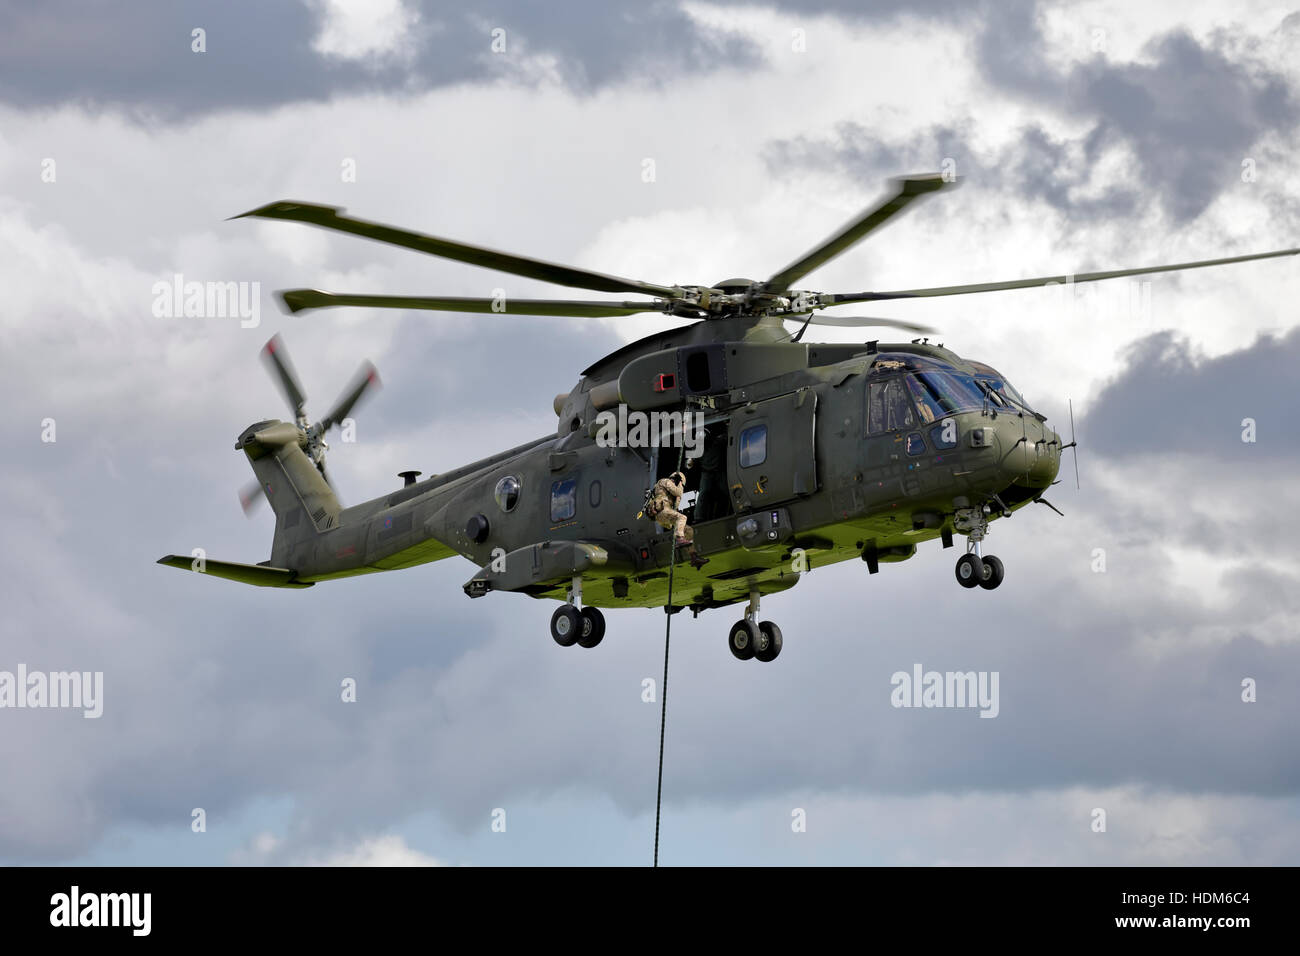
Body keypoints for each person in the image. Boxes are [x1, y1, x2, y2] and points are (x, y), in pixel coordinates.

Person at [648, 468, 708, 569]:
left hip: (665, 514)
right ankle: (680, 539)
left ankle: (693, 556)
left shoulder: (669, 493)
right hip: (662, 511)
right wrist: (680, 485)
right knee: (682, 518)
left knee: (688, 530)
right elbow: (678, 492)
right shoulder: (665, 482)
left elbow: (676, 505)